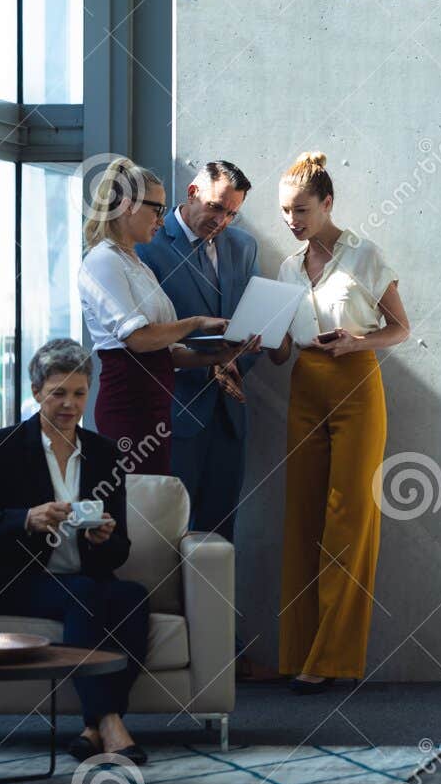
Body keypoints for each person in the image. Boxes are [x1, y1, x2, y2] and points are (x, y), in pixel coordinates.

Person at [0, 339, 151, 764]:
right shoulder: (4, 446)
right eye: (58, 393)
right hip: (21, 581)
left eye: (79, 393)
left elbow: (120, 551)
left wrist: (103, 539)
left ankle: (93, 729)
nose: (69, 404)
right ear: (37, 392)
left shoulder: (105, 454)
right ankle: (110, 722)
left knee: (133, 598)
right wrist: (25, 519)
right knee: (85, 595)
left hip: (84, 577)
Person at [266, 151, 411, 693]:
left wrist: (357, 341)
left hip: (355, 383)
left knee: (350, 521)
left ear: (327, 203)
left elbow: (400, 328)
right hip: (304, 383)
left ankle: (331, 658)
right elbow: (282, 353)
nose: (292, 220)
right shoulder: (287, 268)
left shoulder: (364, 255)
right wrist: (263, 340)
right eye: (285, 211)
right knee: (302, 517)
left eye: (301, 210)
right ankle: (299, 651)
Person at [78, 158, 256, 475]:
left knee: (159, 498)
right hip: (130, 406)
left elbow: (169, 353)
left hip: (155, 405)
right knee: (138, 498)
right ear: (128, 206)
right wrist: (196, 323)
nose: (161, 220)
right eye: (156, 210)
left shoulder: (135, 264)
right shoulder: (103, 260)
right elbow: (137, 339)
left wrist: (222, 355)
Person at [135, 161, 261, 539]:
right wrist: (210, 364)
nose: (222, 221)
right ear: (192, 193)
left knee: (220, 537)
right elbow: (145, 335)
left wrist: (239, 359)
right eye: (216, 207)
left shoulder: (243, 246)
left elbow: (253, 321)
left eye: (232, 213)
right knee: (167, 534)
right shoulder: (148, 246)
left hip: (229, 414)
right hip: (174, 412)